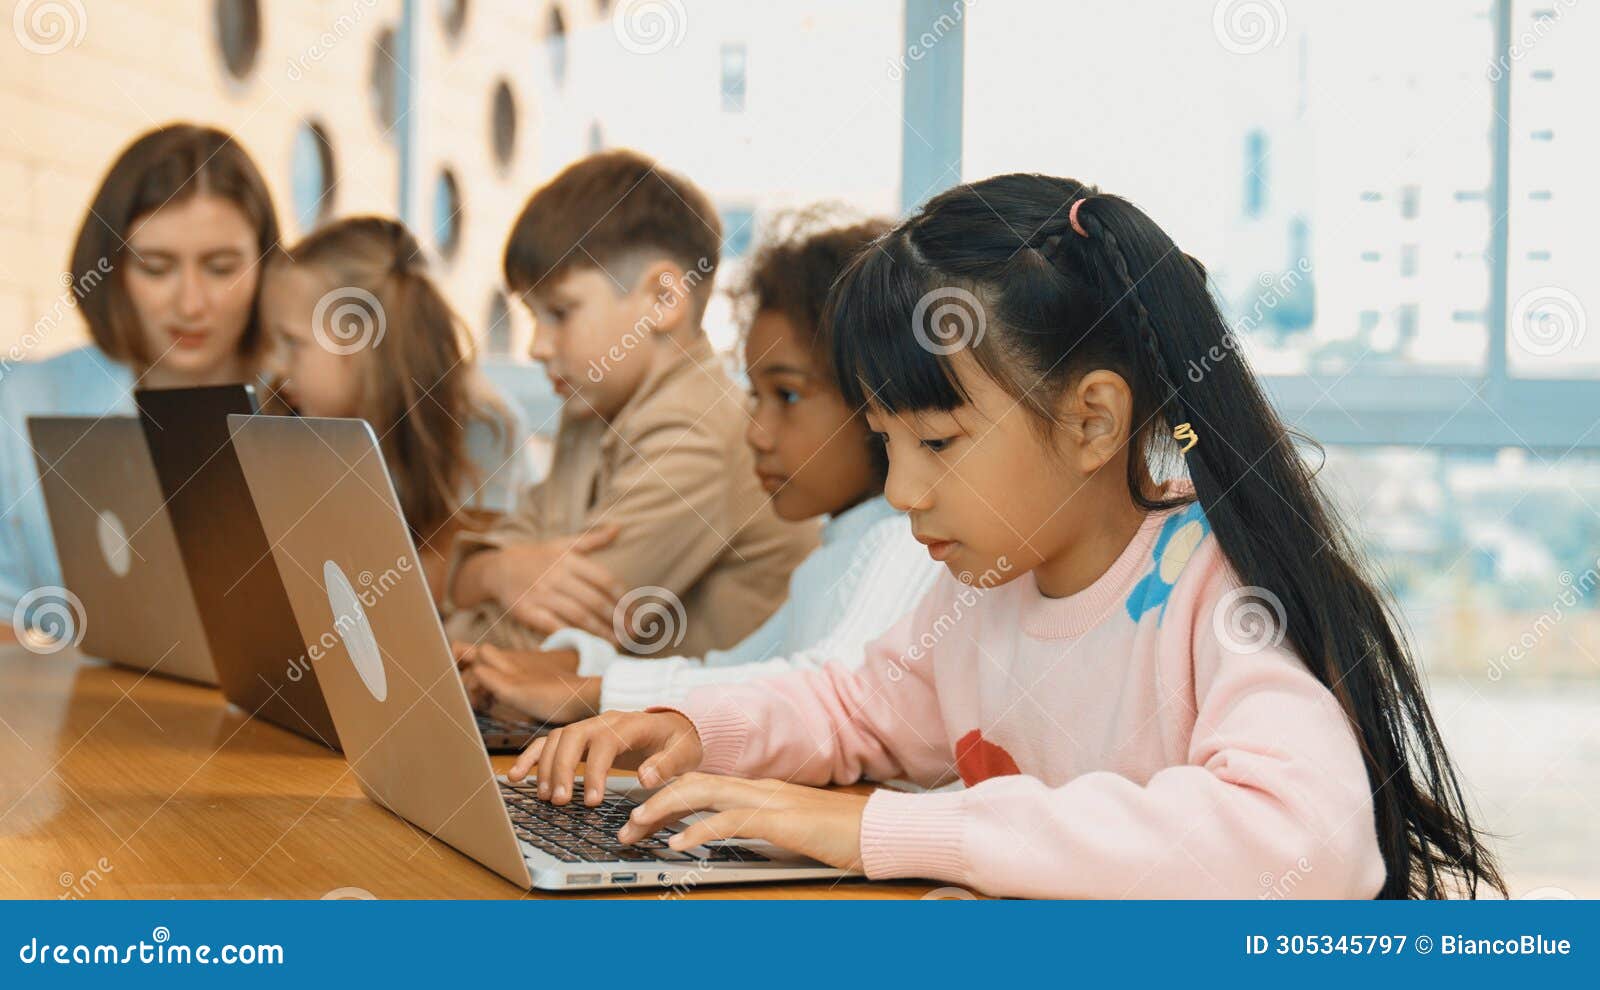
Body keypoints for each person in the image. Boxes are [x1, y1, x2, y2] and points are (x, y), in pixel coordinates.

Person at [509, 173, 1507, 900]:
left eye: (938, 441)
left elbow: (1310, 846)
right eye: (886, 442)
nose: (902, 490)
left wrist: (880, 829)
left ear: (1090, 421)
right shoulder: (984, 588)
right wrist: (697, 731)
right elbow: (857, 708)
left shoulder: (1219, 592)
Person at [456, 212, 941, 721]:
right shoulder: (836, 553)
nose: (755, 431)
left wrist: (594, 693)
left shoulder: (902, 547)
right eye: (756, 395)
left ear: (877, 397)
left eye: (788, 395)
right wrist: (567, 667)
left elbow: (819, 689)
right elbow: (730, 668)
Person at [443, 149, 817, 658]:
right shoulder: (593, 408)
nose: (536, 347)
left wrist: (466, 590)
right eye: (532, 317)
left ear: (663, 299)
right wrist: (494, 571)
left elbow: (545, 647)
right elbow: (501, 558)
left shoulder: (695, 434)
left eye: (559, 312)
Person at [1, 124, 280, 631]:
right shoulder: (22, 401)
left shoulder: (311, 400)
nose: (191, 304)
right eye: (155, 268)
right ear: (110, 269)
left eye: (221, 268)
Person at [258, 216, 531, 599]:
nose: (278, 365)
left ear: (361, 342)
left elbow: (443, 581)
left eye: (293, 343)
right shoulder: (289, 411)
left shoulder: (484, 424)